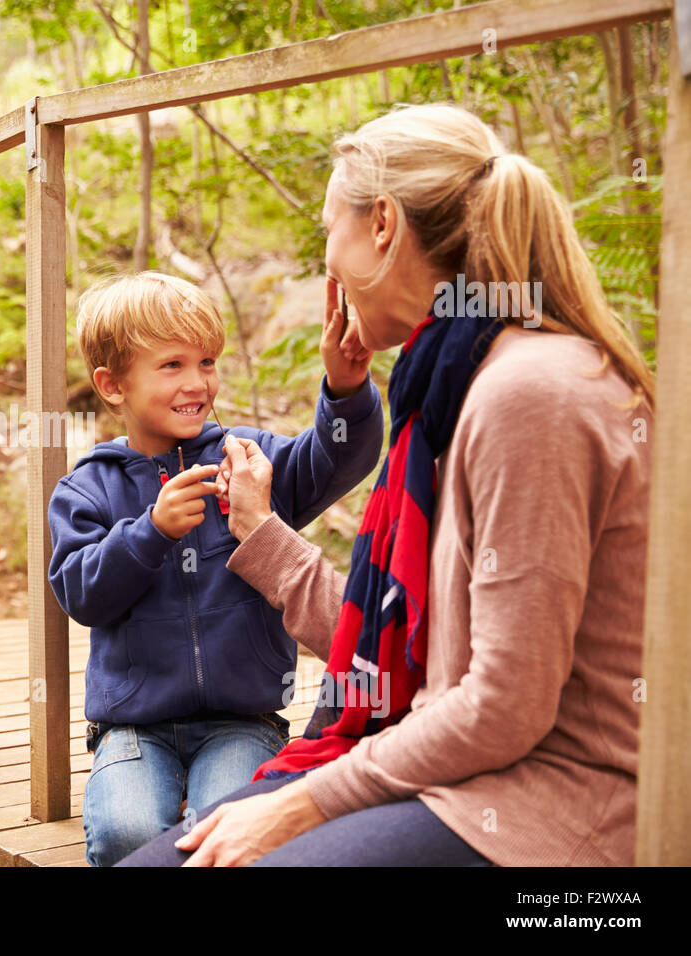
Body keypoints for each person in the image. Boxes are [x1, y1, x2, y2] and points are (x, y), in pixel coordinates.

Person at [116, 103, 654, 867]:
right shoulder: (454, 390)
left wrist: (304, 802)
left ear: (383, 227)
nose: (325, 264)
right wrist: (264, 536)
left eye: (328, 231)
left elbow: (505, 706)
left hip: (551, 806)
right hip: (456, 767)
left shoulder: (528, 393)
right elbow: (399, 643)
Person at [47, 270, 384, 866]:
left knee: (226, 830)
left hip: (241, 719)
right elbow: (81, 595)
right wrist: (149, 531)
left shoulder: (247, 459)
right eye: (171, 365)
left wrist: (346, 387)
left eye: (207, 362)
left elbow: (336, 458)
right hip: (133, 728)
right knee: (125, 833)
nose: (197, 381)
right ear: (112, 385)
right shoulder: (87, 491)